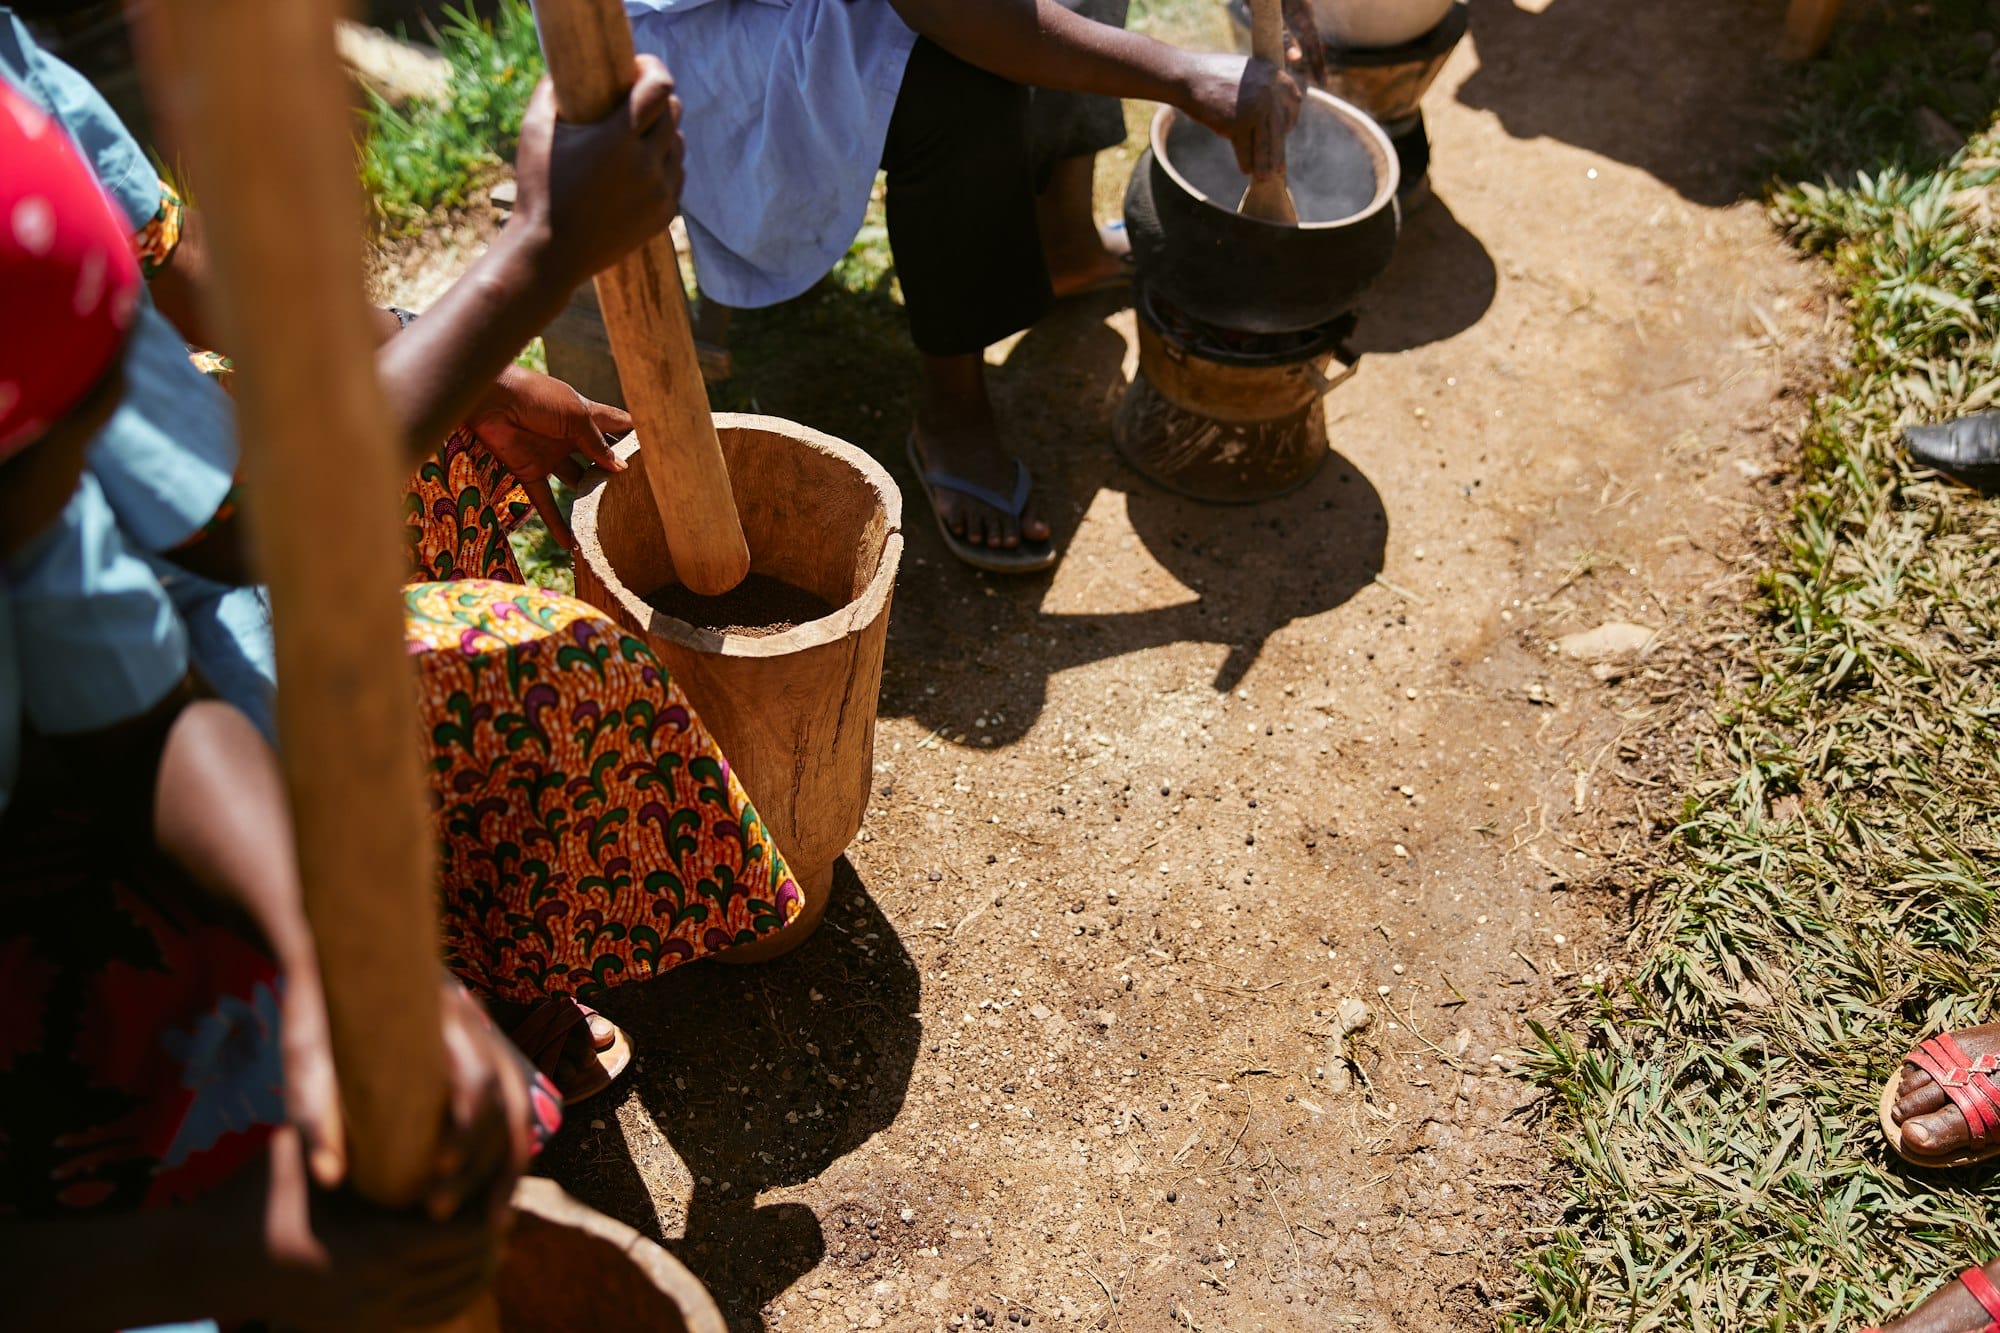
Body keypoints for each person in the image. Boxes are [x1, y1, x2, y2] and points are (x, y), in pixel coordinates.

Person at [1, 9, 804, 1105]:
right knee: (547, 672)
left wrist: (480, 373)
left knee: (443, 451)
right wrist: (538, 249)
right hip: (61, 887)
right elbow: (237, 523)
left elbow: (169, 261)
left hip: (140, 606)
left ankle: (479, 951)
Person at [0, 76, 551, 1329]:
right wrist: (198, 1261)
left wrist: (325, 959)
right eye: (59, 468)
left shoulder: (40, 489)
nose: (94, 496)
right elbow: (233, 534)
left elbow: (141, 710)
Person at [623, 0, 1302, 573]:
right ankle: (954, 412)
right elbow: (943, 8)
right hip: (698, 28)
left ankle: (1065, 240)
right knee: (960, 82)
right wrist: (1183, 76)